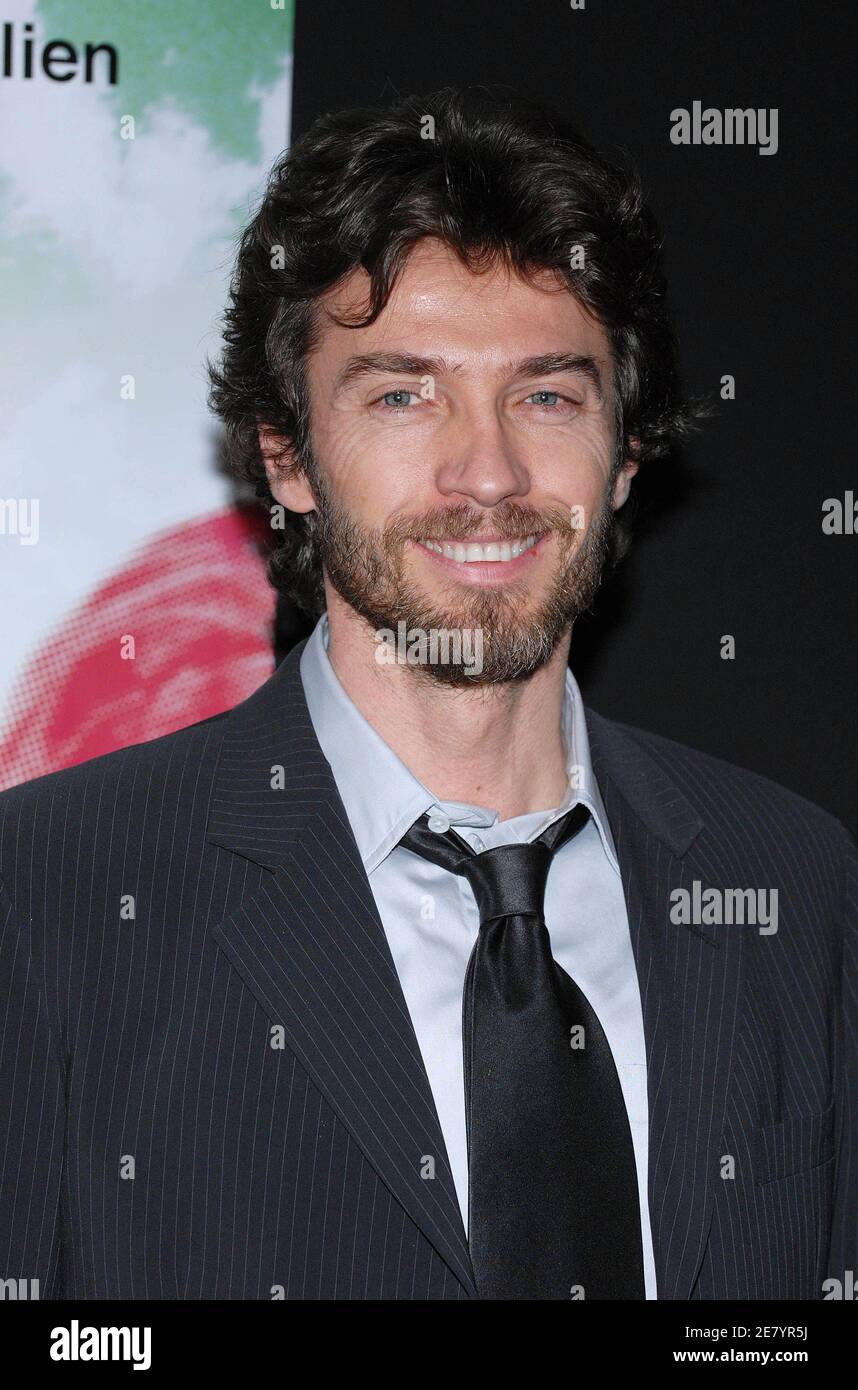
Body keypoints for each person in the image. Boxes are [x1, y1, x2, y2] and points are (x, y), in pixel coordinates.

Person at [1, 88, 854, 1301]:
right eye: (403, 394)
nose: (487, 472)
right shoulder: (50, 896)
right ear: (287, 455)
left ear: (624, 455)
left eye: (547, 395)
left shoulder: (794, 886)